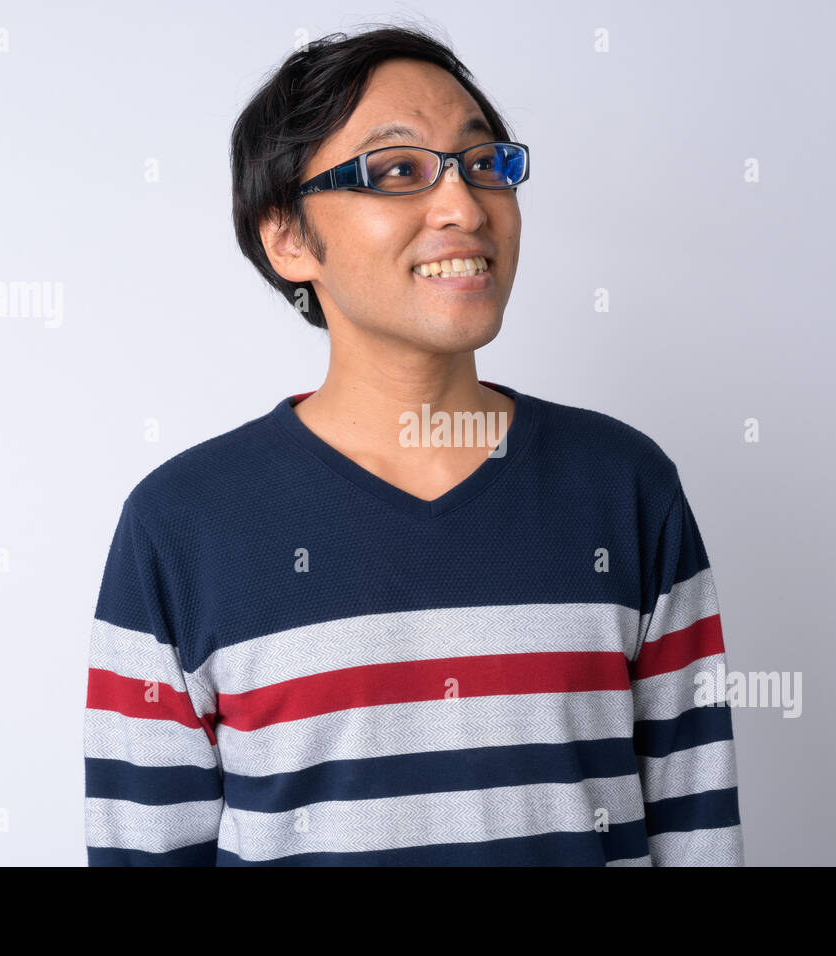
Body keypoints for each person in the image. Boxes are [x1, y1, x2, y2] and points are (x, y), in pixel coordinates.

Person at [83, 23, 743, 866]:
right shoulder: (182, 526)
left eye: (484, 164)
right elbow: (144, 852)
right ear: (286, 236)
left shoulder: (625, 486)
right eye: (396, 171)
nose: (465, 208)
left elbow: (698, 832)